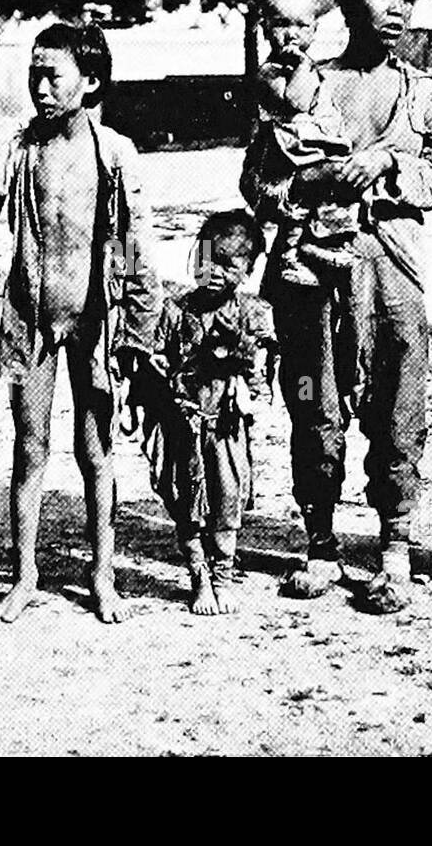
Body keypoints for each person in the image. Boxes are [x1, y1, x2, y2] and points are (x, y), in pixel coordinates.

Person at [240, 0, 432, 614]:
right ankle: (321, 546)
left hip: (392, 266)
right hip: (313, 270)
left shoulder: (422, 92)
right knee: (316, 406)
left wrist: (388, 172)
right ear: (349, 1)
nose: (392, 8)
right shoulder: (307, 85)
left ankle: (394, 551)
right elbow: (257, 179)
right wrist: (316, 178)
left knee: (398, 407)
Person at [0, 22, 160, 624]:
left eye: (52, 75)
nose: (40, 86)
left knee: (96, 449)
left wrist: (140, 330)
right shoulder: (19, 150)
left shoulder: (113, 152)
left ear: (90, 82)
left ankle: (102, 574)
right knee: (29, 446)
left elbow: (137, 245)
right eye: (33, 74)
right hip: (30, 316)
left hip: (96, 321)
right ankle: (24, 574)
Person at [132, 211, 274, 615]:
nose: (215, 271)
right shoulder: (175, 311)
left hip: (226, 428)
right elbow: (154, 356)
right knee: (185, 498)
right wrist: (155, 366)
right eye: (209, 258)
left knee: (227, 498)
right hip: (183, 425)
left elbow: (260, 369)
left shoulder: (251, 314)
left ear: (248, 270)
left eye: (230, 264)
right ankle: (198, 575)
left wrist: (248, 359)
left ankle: (224, 573)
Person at [257, 0, 359, 279]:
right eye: (280, 24)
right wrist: (302, 66)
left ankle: (320, 243)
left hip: (306, 148)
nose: (292, 34)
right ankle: (291, 255)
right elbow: (297, 102)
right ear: (264, 28)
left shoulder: (313, 68)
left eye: (302, 26)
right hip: (283, 158)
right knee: (298, 203)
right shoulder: (270, 72)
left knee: (331, 191)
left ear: (315, 30)